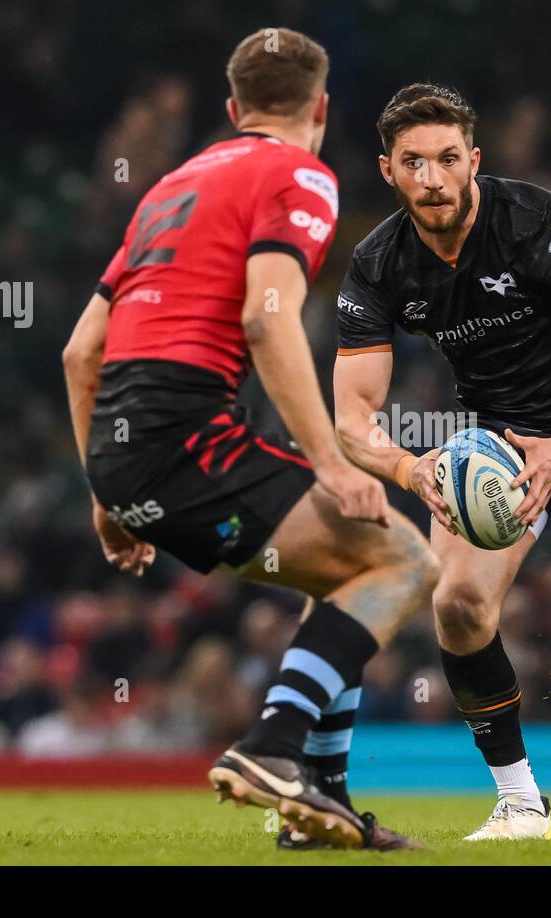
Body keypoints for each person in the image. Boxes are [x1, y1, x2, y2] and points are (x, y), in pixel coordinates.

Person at [62, 29, 438, 850]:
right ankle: (272, 746)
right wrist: (334, 464)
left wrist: (104, 491)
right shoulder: (298, 173)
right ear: (322, 108)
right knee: (406, 559)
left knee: (339, 573)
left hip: (126, 448)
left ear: (233, 110)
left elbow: (80, 351)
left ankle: (321, 800)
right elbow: (266, 323)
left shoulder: (167, 189)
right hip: (186, 429)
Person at [333, 84, 551, 840]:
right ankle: (521, 801)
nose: (433, 178)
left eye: (448, 158)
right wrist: (409, 469)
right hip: (496, 441)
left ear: (473, 160)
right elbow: (352, 418)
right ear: (388, 170)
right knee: (455, 603)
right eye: (413, 162)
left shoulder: (539, 223)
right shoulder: (380, 264)